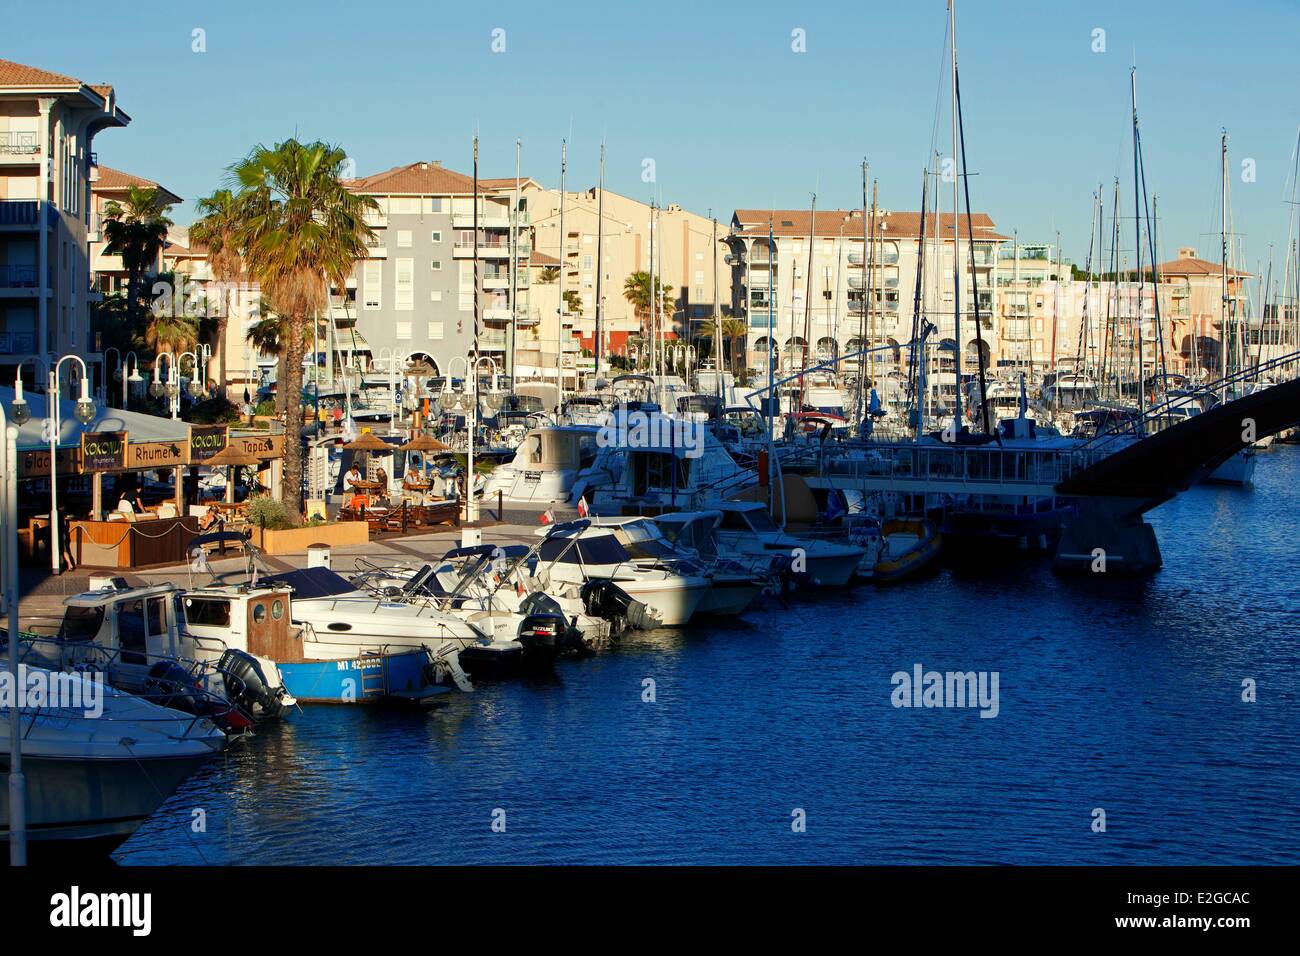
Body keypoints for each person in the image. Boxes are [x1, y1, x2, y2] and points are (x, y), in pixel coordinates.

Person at [57, 507, 76, 573]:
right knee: (64, 550)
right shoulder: (62, 516)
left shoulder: (58, 515)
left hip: (60, 535)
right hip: (63, 534)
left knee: (63, 550)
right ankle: (69, 564)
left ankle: (69, 564)